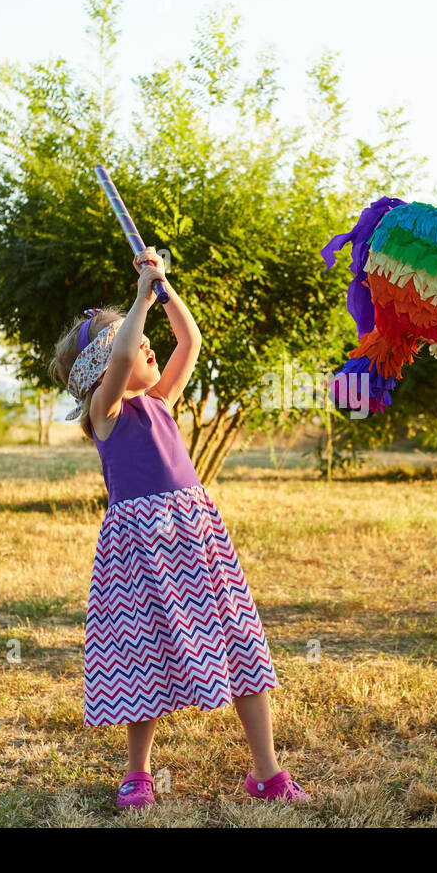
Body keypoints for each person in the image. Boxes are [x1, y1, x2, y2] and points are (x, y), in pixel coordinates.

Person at [49, 248, 309, 807]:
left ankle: (267, 772)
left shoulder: (161, 402)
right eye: (130, 338)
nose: (145, 343)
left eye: (139, 332)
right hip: (140, 551)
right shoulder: (107, 412)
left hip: (195, 538)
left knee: (240, 641)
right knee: (144, 658)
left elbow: (189, 341)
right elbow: (122, 358)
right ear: (101, 368)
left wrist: (163, 290)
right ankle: (138, 774)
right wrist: (140, 298)